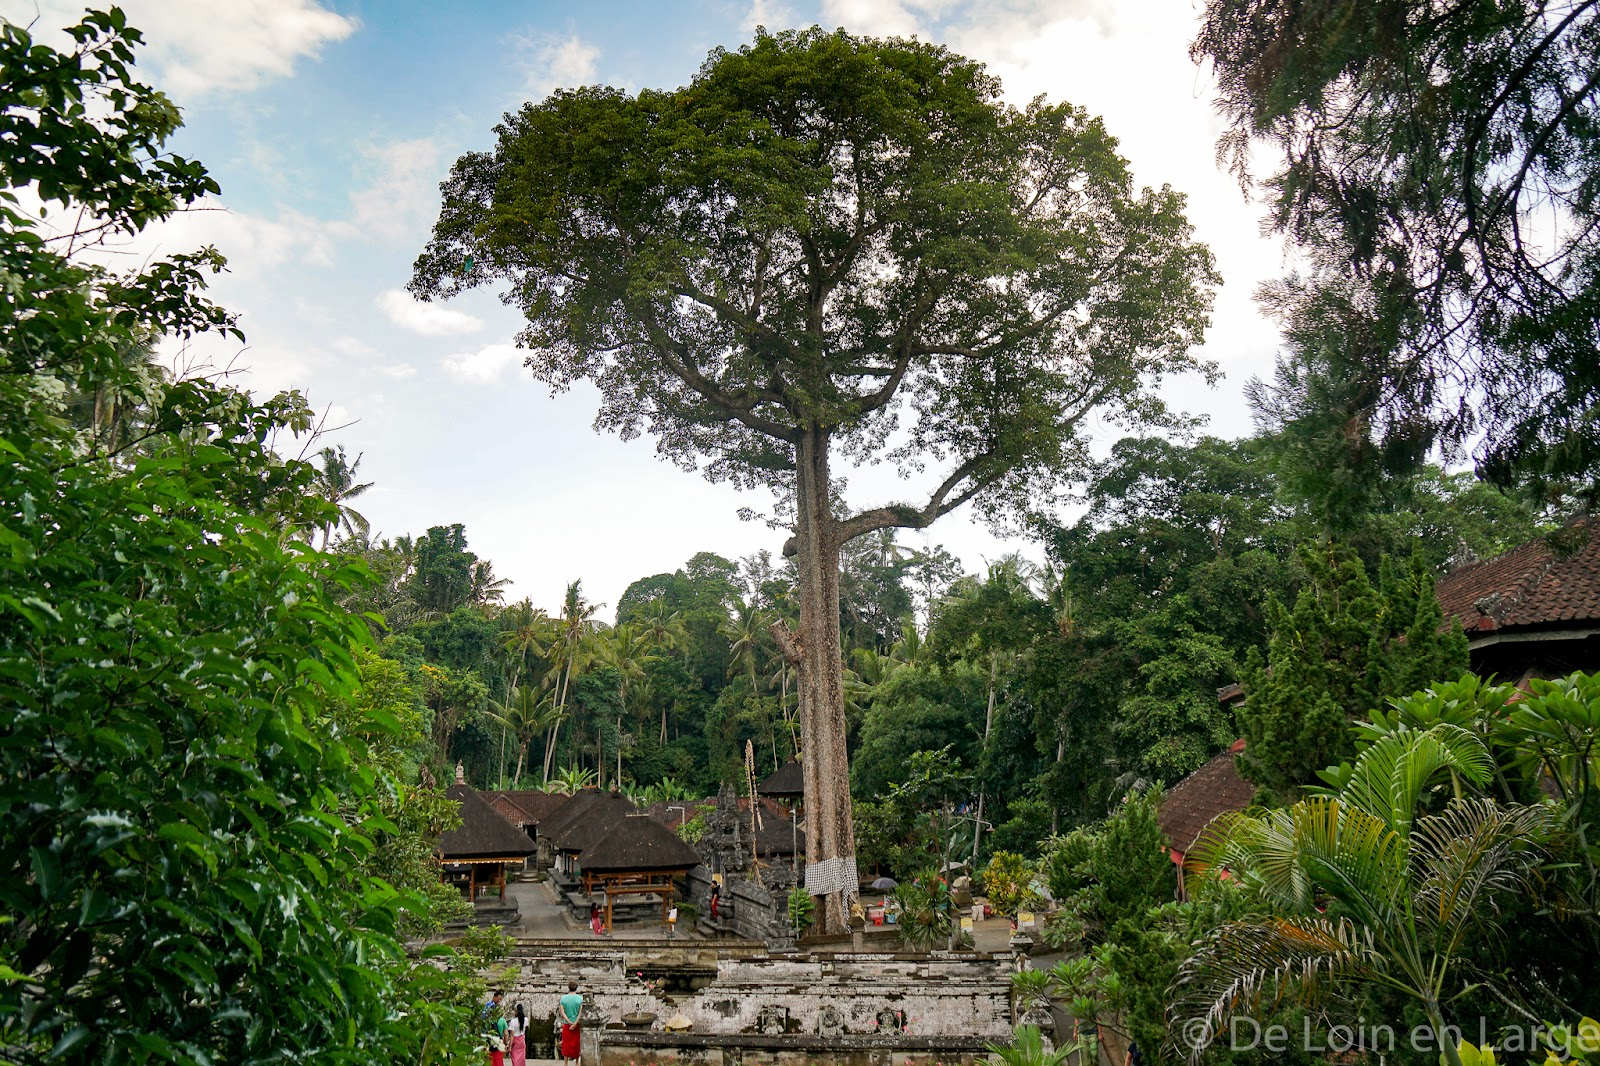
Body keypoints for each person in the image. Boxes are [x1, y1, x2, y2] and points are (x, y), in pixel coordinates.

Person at [557, 981, 583, 1066]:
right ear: (576, 988)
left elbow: (562, 1012)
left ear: (568, 988)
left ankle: (565, 1063)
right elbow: (580, 1012)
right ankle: (577, 1062)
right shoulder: (580, 999)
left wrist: (569, 1022)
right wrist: (575, 1023)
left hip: (566, 1024)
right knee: (576, 1044)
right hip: (576, 1024)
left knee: (566, 1044)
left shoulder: (563, 998)